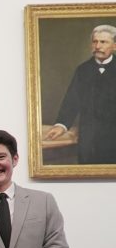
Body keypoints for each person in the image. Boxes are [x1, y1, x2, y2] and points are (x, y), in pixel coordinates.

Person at [44, 24, 116, 164]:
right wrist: (62, 125)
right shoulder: (83, 70)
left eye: (103, 42)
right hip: (89, 138)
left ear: (114, 46)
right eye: (95, 42)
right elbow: (71, 101)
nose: (97, 46)